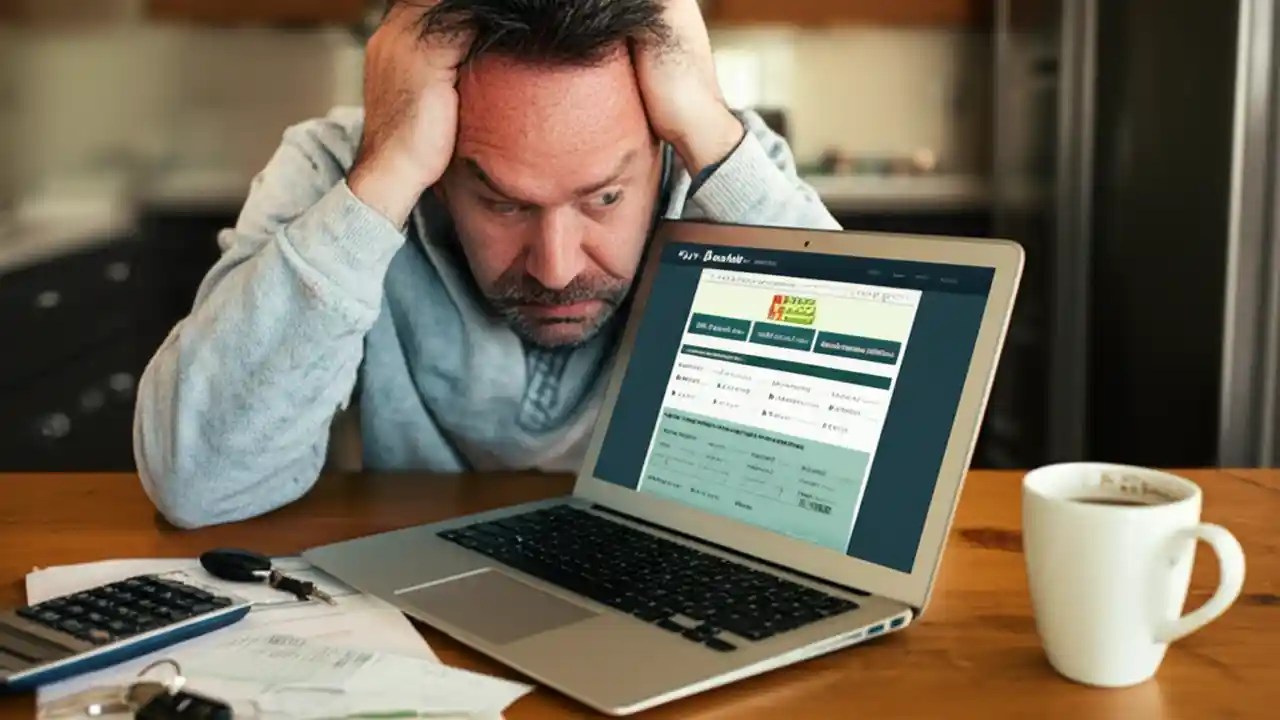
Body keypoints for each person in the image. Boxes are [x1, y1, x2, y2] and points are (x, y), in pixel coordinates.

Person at [133, 0, 841, 529]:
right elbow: (198, 484)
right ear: (439, 171)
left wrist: (709, 131)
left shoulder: (707, 164)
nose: (558, 270)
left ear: (660, 148)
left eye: (605, 196)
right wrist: (386, 172)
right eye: (503, 204)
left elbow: (852, 475)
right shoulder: (347, 168)